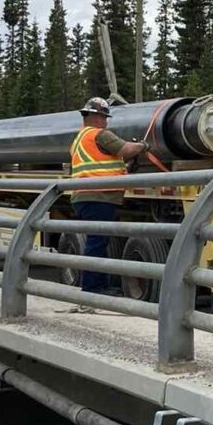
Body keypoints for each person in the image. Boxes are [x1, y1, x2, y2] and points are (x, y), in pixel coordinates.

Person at [69, 97, 149, 292]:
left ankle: (98, 285)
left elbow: (102, 162)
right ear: (96, 117)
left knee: (97, 242)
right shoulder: (100, 135)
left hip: (84, 196)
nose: (106, 121)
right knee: (97, 243)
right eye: (104, 117)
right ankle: (92, 289)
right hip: (99, 196)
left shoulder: (79, 138)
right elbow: (125, 149)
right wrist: (143, 146)